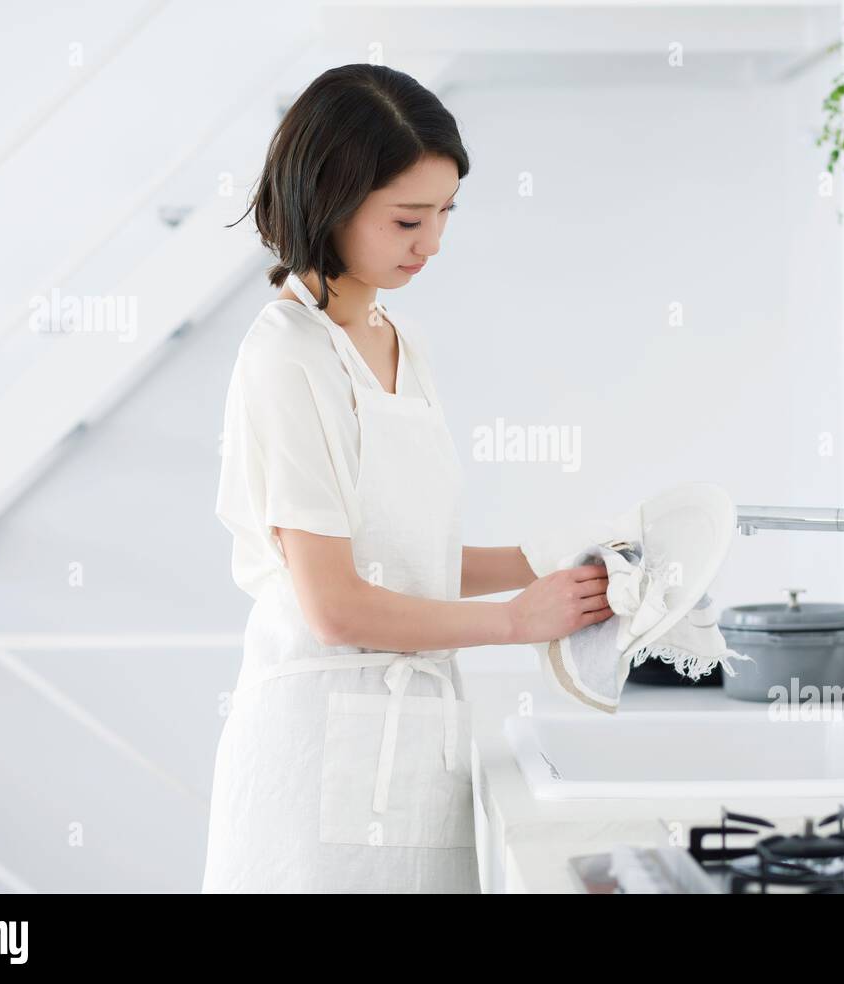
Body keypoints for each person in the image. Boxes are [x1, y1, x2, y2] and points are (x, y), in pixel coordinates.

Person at [201, 64, 612, 893]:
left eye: (446, 213)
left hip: (413, 735)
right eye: (408, 219)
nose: (432, 243)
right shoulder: (286, 359)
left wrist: (544, 563)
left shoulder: (397, 338)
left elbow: (403, 553)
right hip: (315, 757)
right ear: (329, 199)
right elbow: (335, 604)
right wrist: (514, 622)